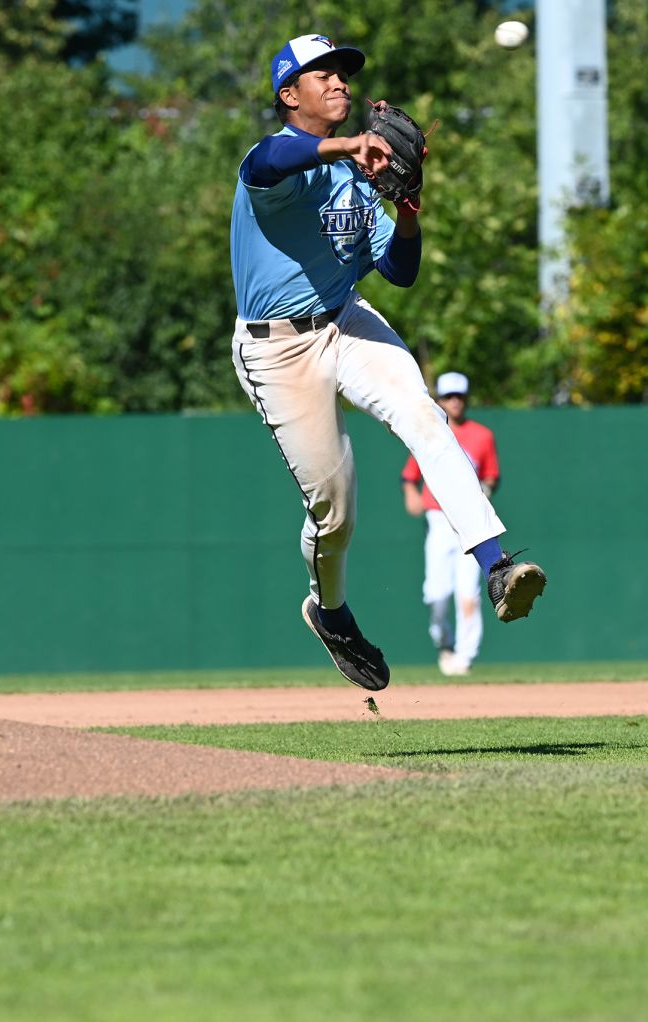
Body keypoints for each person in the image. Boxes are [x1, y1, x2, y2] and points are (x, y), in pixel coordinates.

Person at [228, 34, 546, 692]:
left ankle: (495, 565)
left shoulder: (357, 178)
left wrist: (407, 210)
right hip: (276, 348)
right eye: (322, 73)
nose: (339, 81)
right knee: (335, 510)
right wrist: (346, 146)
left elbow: (399, 270)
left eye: (343, 72)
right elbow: (267, 160)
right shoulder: (281, 164)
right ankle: (331, 613)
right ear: (289, 94)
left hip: (344, 318)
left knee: (425, 417)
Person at [401, 372, 499, 676]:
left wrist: (481, 494)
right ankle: (445, 643)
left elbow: (491, 475)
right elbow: (410, 475)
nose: (455, 401)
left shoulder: (482, 435)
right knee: (437, 593)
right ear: (440, 400)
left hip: (469, 520)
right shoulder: (430, 432)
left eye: (459, 396)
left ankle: (465, 657)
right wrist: (410, 494)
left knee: (468, 592)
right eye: (448, 396)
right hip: (438, 519)